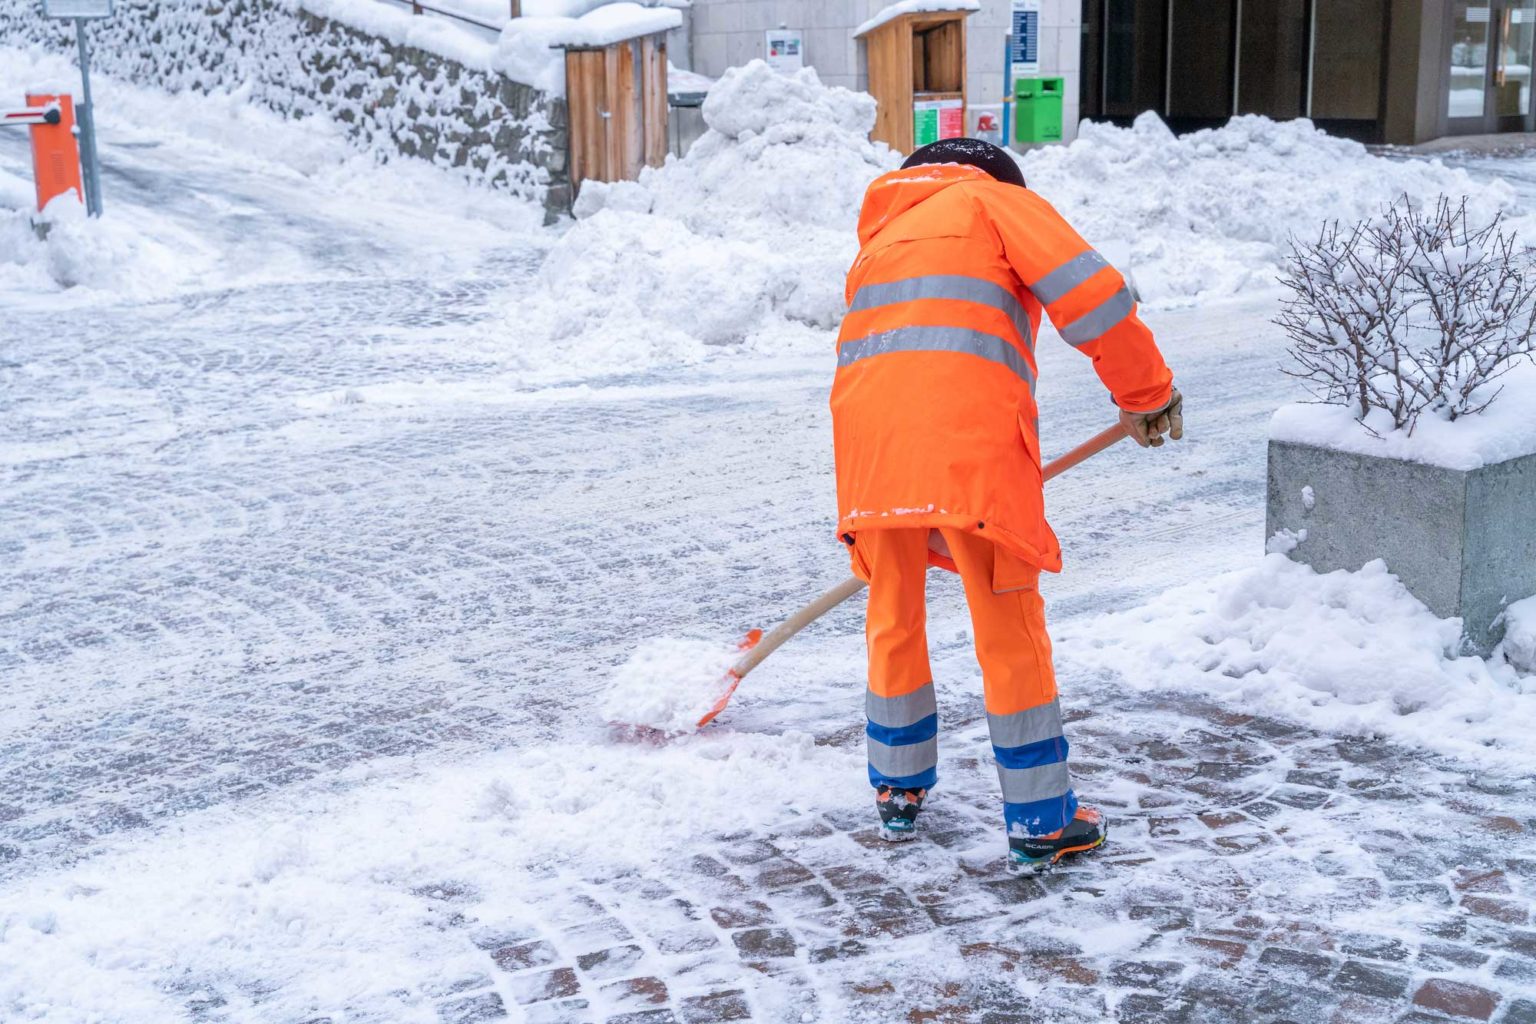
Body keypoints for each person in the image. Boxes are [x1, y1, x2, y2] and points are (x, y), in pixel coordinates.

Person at [830, 138, 1183, 873]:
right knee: (1007, 620)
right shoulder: (994, 202)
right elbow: (1093, 298)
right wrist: (1147, 394)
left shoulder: (882, 237)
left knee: (894, 612)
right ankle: (1043, 818)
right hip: (973, 447)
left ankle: (897, 789)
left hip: (870, 452)